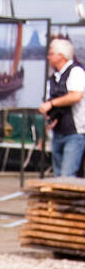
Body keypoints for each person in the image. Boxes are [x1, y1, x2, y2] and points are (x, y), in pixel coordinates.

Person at [40, 36, 85, 178]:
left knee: (67, 175)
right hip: (57, 132)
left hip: (74, 132)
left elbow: (76, 96)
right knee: (58, 175)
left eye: (51, 54)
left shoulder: (76, 72)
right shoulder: (53, 78)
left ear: (61, 56)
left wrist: (52, 103)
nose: (48, 57)